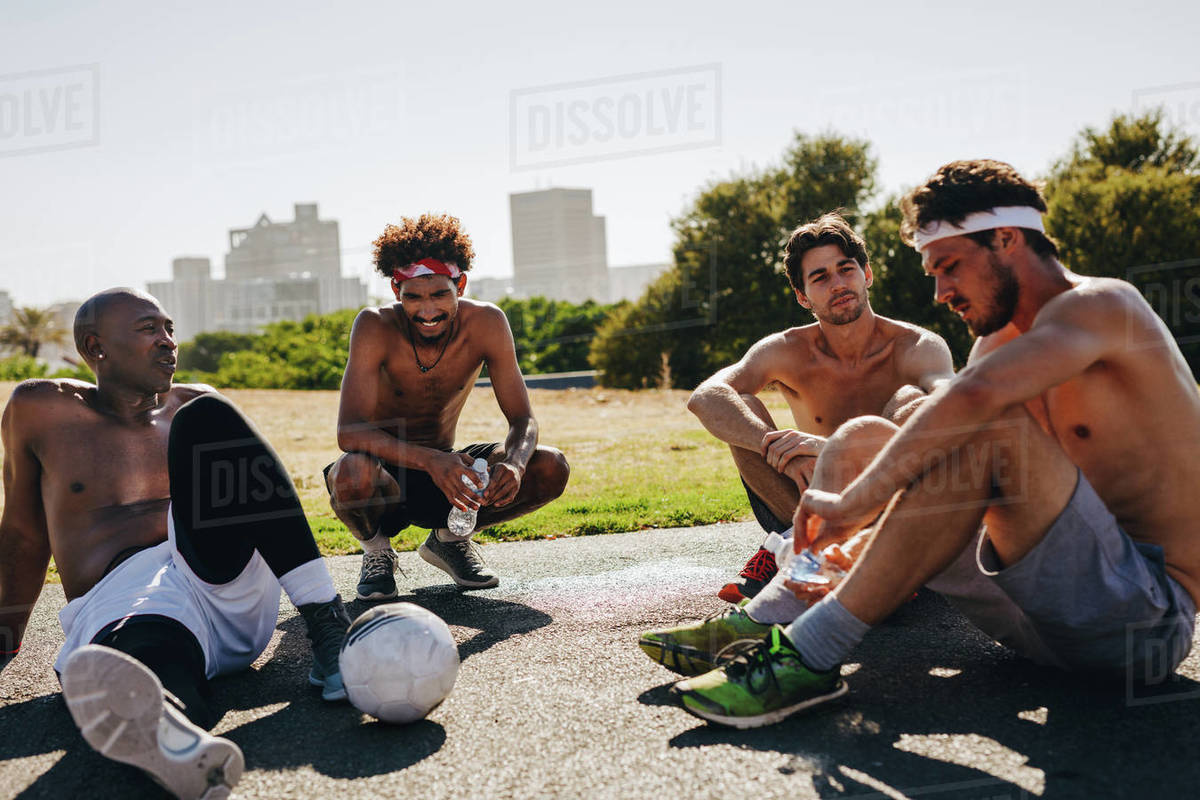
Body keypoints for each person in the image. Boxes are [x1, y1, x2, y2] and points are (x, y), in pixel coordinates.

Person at [669, 159, 1200, 728]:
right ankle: (775, 612)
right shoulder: (994, 344)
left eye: (949, 267)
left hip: (1139, 622)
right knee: (861, 437)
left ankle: (809, 651)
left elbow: (971, 403)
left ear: (1006, 238)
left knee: (979, 423)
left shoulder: (1101, 306)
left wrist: (850, 504)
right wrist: (846, 470)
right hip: (1031, 622)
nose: (942, 292)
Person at [0, 289, 350, 797]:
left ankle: (329, 625)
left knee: (210, 416)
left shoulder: (194, 404)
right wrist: (6, 633)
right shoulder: (42, 410)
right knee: (138, 660)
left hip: (223, 581)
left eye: (170, 329)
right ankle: (174, 738)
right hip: (127, 600)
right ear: (95, 346)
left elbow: (259, 501)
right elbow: (23, 533)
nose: (169, 343)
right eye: (149, 330)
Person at [639, 212, 954, 676]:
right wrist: (771, 444)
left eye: (846, 268)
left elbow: (951, 411)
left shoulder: (916, 346)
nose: (838, 283)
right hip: (804, 505)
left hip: (892, 509)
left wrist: (830, 448)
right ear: (803, 296)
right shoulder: (787, 348)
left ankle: (800, 579)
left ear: (866, 274)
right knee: (738, 407)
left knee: (913, 402)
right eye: (820, 277)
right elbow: (706, 396)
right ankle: (800, 550)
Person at [326, 213, 569, 599]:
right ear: (395, 289)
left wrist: (514, 464)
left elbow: (523, 419)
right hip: (384, 476)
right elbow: (349, 431)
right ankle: (377, 551)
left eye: (439, 294)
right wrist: (429, 461)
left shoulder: (487, 322)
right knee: (351, 472)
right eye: (413, 296)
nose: (427, 310)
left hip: (446, 472)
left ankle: (450, 539)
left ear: (461, 284)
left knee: (550, 465)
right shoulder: (373, 325)